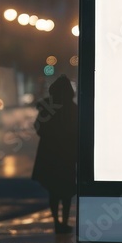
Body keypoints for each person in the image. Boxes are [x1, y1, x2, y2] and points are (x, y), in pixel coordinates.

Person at [31, 75, 79, 234]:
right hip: (67, 154)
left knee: (54, 191)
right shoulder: (73, 109)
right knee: (66, 191)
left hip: (50, 154)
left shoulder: (47, 108)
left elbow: (39, 128)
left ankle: (57, 222)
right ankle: (64, 222)